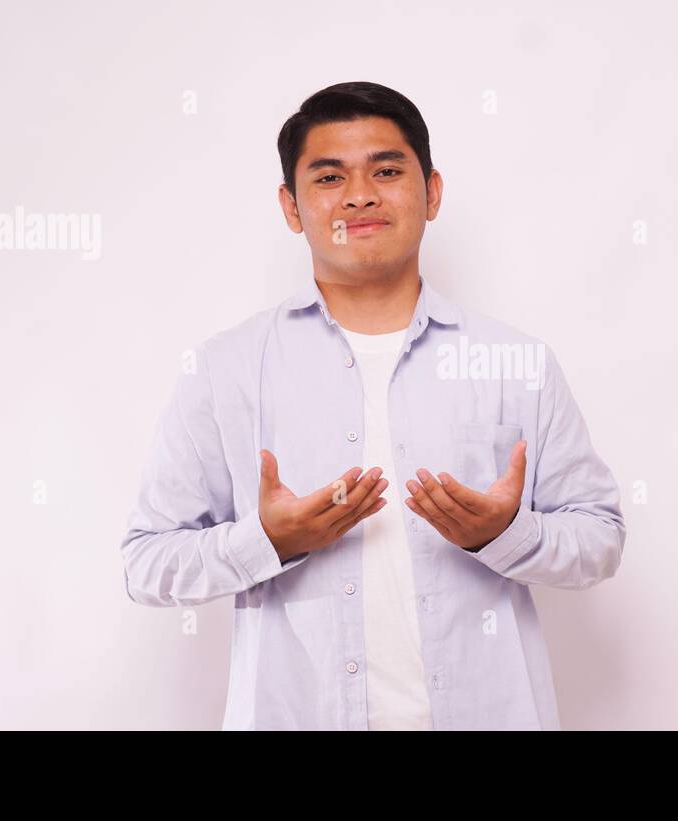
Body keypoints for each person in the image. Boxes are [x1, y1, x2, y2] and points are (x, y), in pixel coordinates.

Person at [119, 81, 625, 730]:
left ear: (432, 191)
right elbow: (146, 563)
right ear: (291, 206)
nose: (360, 194)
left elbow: (600, 539)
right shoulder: (227, 369)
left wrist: (504, 533)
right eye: (329, 176)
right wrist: (269, 539)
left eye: (387, 170)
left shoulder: (515, 361)